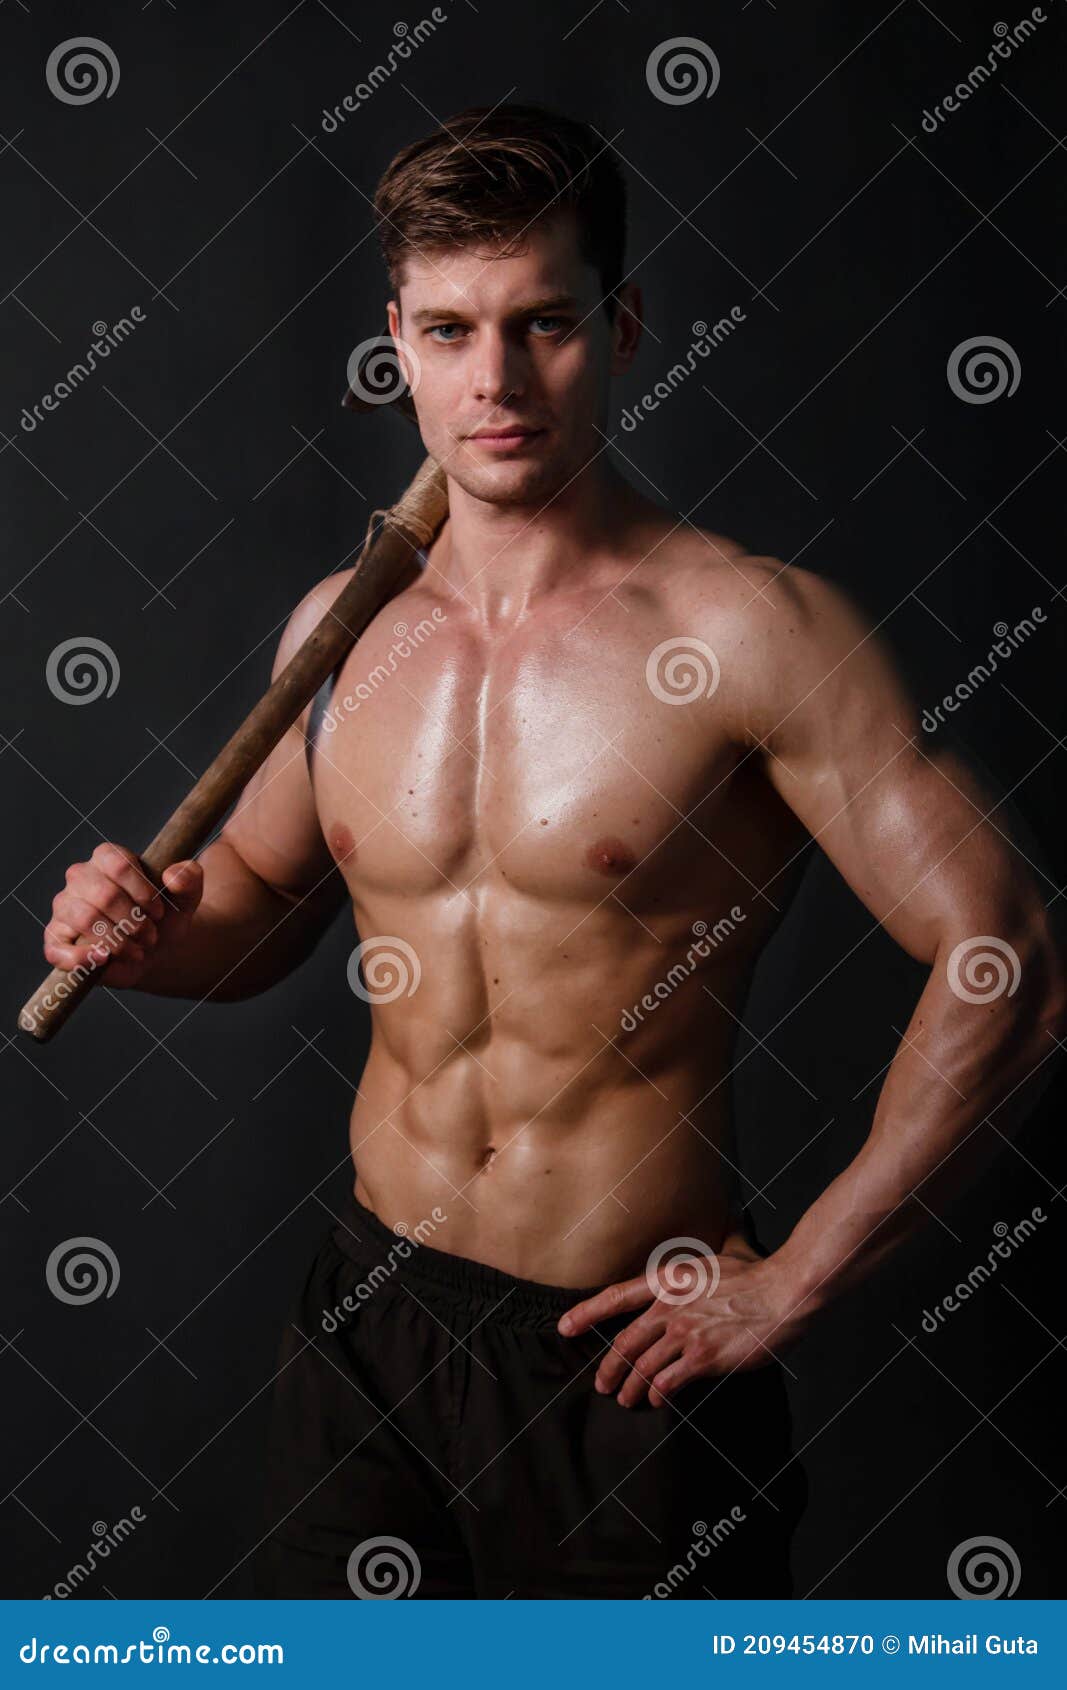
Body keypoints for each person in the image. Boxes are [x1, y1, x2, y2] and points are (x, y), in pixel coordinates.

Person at [42, 105, 1066, 1600]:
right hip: (368, 1329)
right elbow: (257, 904)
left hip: (622, 1365)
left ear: (625, 322)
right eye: (451, 331)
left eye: (543, 325)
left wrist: (794, 1279)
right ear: (395, 338)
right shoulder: (343, 633)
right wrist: (150, 937)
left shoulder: (746, 632)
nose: (497, 381)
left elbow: (1015, 963)